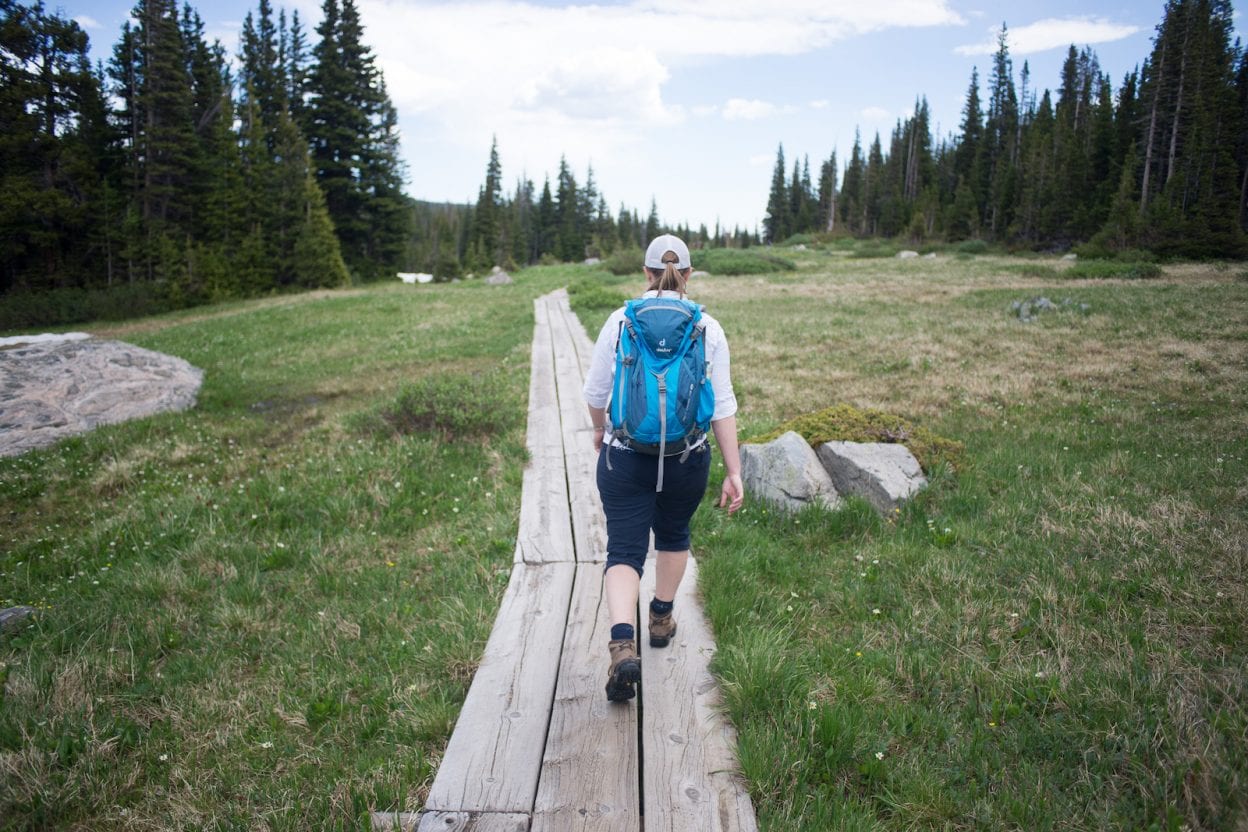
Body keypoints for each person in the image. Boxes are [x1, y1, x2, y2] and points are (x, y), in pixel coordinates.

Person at [582, 233, 744, 703]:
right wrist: (734, 471)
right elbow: (723, 405)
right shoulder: (707, 327)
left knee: (624, 551)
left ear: (646, 273)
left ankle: (621, 644)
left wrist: (600, 430)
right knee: (674, 534)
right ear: (688, 275)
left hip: (625, 456)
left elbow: (595, 394)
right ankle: (660, 618)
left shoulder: (620, 320)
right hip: (686, 457)